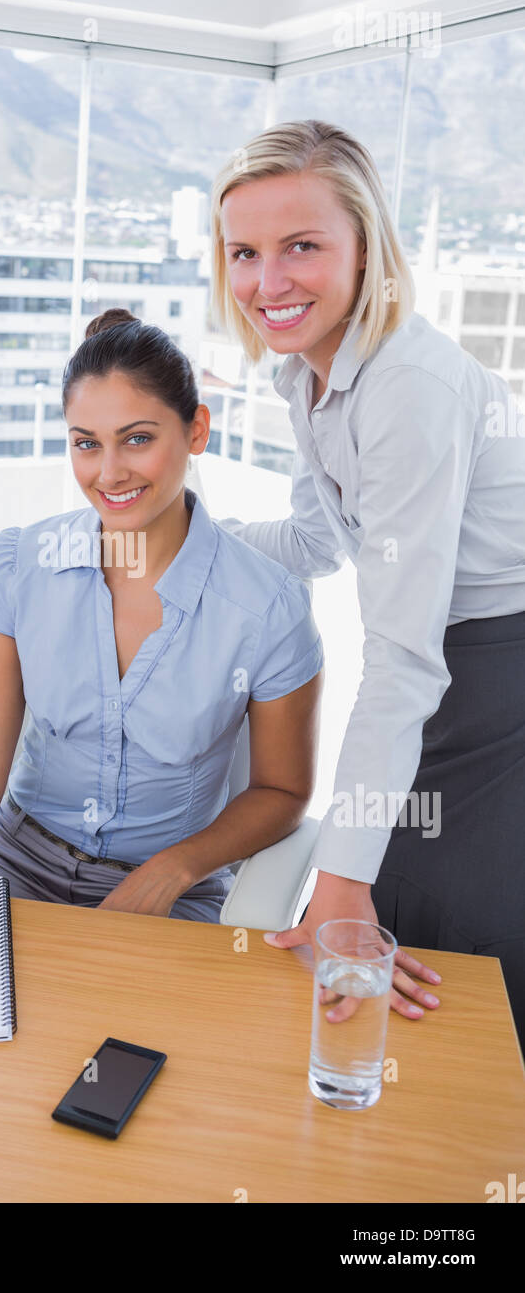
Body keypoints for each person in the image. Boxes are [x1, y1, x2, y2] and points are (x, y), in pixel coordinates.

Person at [0, 309, 325, 977]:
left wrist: (173, 871)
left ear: (196, 430)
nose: (109, 472)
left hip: (170, 883)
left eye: (137, 439)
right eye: (87, 443)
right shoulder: (21, 567)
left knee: (138, 1056)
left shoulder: (268, 606)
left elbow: (283, 791)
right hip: (14, 859)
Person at [210, 118, 525, 1045]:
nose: (270, 283)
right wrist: (185, 538)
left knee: (455, 935)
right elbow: (315, 539)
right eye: (245, 253)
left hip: (501, 665)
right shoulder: (304, 376)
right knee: (393, 915)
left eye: (302, 246)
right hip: (448, 663)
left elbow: (398, 658)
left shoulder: (408, 389)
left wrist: (339, 880)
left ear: (366, 249)